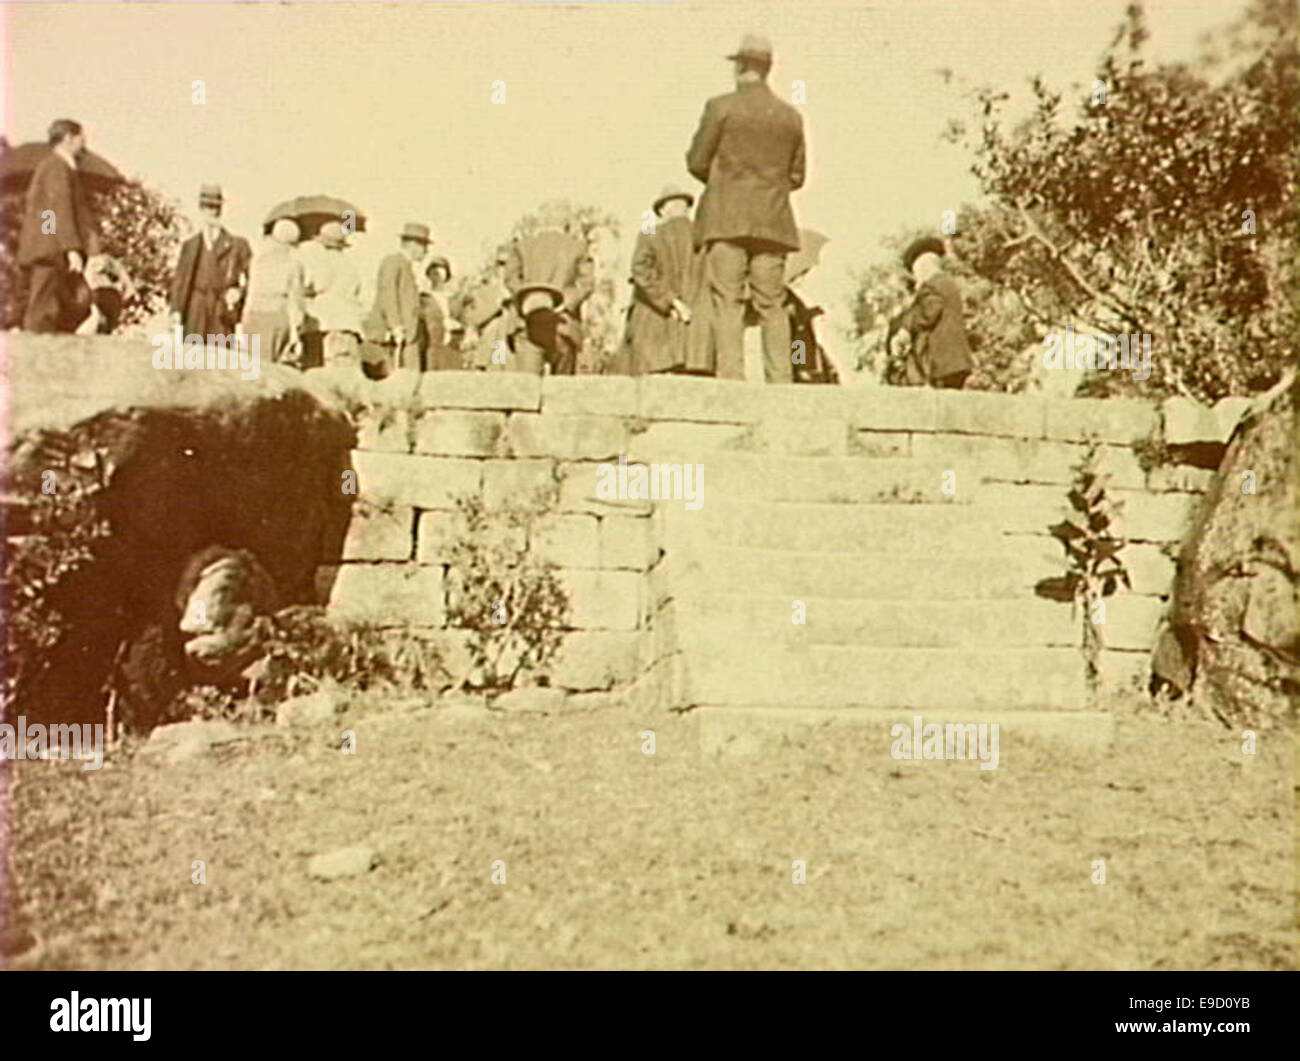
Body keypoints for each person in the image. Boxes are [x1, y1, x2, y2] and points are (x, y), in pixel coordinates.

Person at [686, 33, 805, 383]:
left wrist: (727, 181)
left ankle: (732, 379)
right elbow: (797, 176)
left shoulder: (720, 107)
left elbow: (696, 161)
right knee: (772, 303)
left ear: (739, 67)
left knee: (728, 300)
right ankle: (780, 380)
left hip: (726, 219)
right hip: (773, 222)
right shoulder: (790, 116)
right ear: (767, 70)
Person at [16, 118, 99, 333]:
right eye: (81, 138)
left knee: (49, 306)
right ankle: (36, 357)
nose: (84, 144)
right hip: (51, 253)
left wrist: (52, 241)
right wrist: (67, 247)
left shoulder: (52, 167)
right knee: (44, 309)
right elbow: (57, 210)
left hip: (48, 250)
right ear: (68, 139)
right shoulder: (56, 167)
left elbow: (48, 213)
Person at [618, 185, 708, 376]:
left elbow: (640, 269)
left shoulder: (650, 231)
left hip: (656, 335)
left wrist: (671, 301)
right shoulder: (704, 235)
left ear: (663, 209)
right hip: (698, 341)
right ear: (686, 208)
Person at [503, 203, 594, 375]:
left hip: (527, 323)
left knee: (527, 388)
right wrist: (564, 302)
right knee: (561, 391)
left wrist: (528, 298)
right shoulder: (577, 247)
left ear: (540, 222)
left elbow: (510, 279)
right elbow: (587, 284)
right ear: (566, 224)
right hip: (563, 323)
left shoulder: (522, 245)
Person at [890, 236, 974, 389]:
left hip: (942, 363)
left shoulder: (930, 286)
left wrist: (906, 329)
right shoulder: (949, 284)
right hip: (957, 361)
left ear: (922, 268)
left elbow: (929, 313)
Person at [169, 184, 252, 338]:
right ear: (201, 209)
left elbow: (247, 280)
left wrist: (237, 293)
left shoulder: (237, 246)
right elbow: (179, 280)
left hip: (221, 311)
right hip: (196, 308)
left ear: (221, 210)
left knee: (220, 357)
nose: (211, 212)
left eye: (215, 208)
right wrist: (176, 310)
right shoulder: (191, 245)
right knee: (193, 356)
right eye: (207, 207)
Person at [362, 222, 431, 374]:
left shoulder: (406, 266)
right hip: (393, 335)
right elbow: (388, 294)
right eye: (424, 246)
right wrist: (395, 325)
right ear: (413, 244)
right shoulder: (393, 262)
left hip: (407, 335)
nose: (426, 251)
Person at [297, 220, 364, 370]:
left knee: (326, 373)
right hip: (349, 323)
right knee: (348, 372)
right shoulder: (350, 265)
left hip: (328, 322)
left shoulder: (323, 261)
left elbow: (318, 284)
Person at [241, 218, 306, 365]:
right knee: (273, 369)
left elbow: (250, 292)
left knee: (251, 368)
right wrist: (297, 329)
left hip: (253, 316)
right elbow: (295, 300)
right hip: (276, 316)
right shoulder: (293, 265)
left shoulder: (256, 261)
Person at [76, 253, 135, 335]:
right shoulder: (107, 261)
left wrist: (128, 287)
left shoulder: (97, 261)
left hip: (105, 294)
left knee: (99, 320)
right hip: (103, 295)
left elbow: (120, 271)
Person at [420, 255, 462, 371]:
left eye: (441, 273)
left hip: (452, 349)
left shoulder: (455, 299)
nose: (438, 277)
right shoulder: (423, 299)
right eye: (434, 273)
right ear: (429, 275)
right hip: (432, 347)